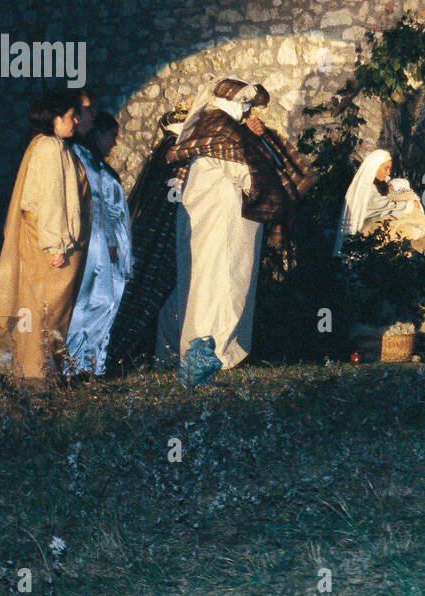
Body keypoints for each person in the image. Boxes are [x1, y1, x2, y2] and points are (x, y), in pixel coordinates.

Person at [156, 78, 311, 370]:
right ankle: (216, 355)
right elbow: (251, 173)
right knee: (223, 286)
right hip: (222, 223)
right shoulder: (222, 129)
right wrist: (272, 193)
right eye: (245, 103)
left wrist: (257, 137)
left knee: (207, 285)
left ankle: (202, 354)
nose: (248, 109)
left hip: (217, 223)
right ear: (227, 101)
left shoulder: (214, 127)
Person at [0, 91, 91, 381]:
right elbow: (50, 199)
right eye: (70, 115)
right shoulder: (49, 148)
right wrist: (56, 245)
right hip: (52, 248)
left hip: (57, 245)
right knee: (44, 313)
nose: (76, 120)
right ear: (54, 118)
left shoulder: (53, 146)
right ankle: (35, 377)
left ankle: (40, 374)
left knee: (45, 314)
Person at [106, 104, 188, 365]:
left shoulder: (170, 151)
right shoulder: (176, 154)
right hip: (163, 237)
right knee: (153, 289)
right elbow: (168, 200)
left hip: (159, 234)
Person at [65, 112, 133, 375]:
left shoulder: (99, 167)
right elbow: (98, 207)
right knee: (94, 304)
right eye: (111, 137)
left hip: (106, 244)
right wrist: (109, 243)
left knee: (103, 305)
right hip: (97, 246)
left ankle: (89, 364)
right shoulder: (87, 164)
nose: (114, 144)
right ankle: (78, 365)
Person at [334, 149, 425, 256]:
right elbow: (384, 206)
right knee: (398, 229)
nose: (388, 172)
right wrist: (410, 205)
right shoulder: (365, 188)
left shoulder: (385, 183)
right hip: (373, 230)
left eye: (389, 168)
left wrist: (412, 201)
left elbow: (404, 193)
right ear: (374, 168)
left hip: (395, 224)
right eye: (385, 168)